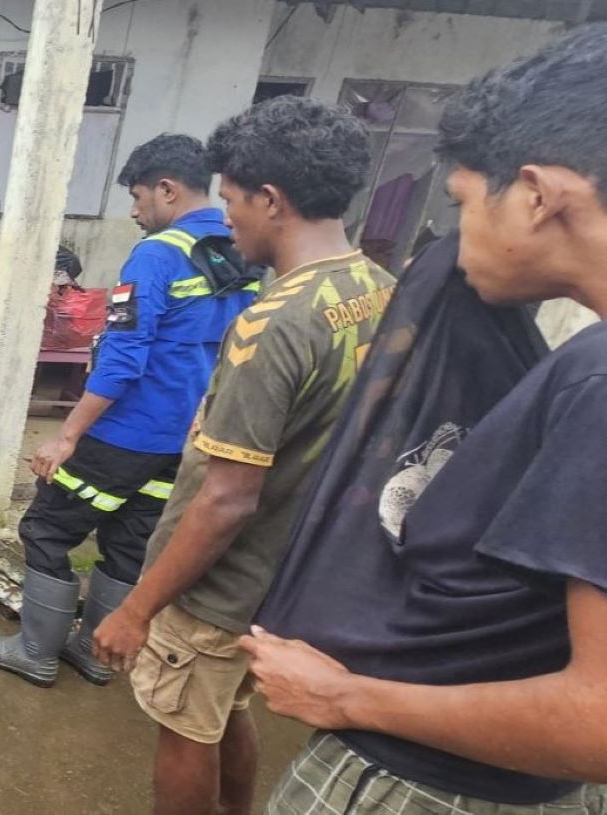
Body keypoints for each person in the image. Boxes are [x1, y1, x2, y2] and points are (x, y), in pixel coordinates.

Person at [243, 26, 607, 814]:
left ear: (537, 195)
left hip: (429, 788)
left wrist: (344, 696)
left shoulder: (599, 383)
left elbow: (599, 719)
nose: (453, 239)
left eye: (463, 203)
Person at [91, 98, 396, 815]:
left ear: (271, 199)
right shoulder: (378, 290)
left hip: (218, 580)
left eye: (230, 201)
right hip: (289, 571)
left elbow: (226, 498)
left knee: (183, 726)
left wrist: (137, 608)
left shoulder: (275, 322)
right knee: (226, 708)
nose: (226, 220)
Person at [0, 133, 261, 690]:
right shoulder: (238, 250)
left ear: (167, 189)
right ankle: (95, 651)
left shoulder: (157, 254)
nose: (134, 211)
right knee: (132, 539)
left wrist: (67, 436)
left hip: (125, 432)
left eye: (137, 196)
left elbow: (124, 359)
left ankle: (35, 652)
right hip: (186, 436)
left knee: (47, 528)